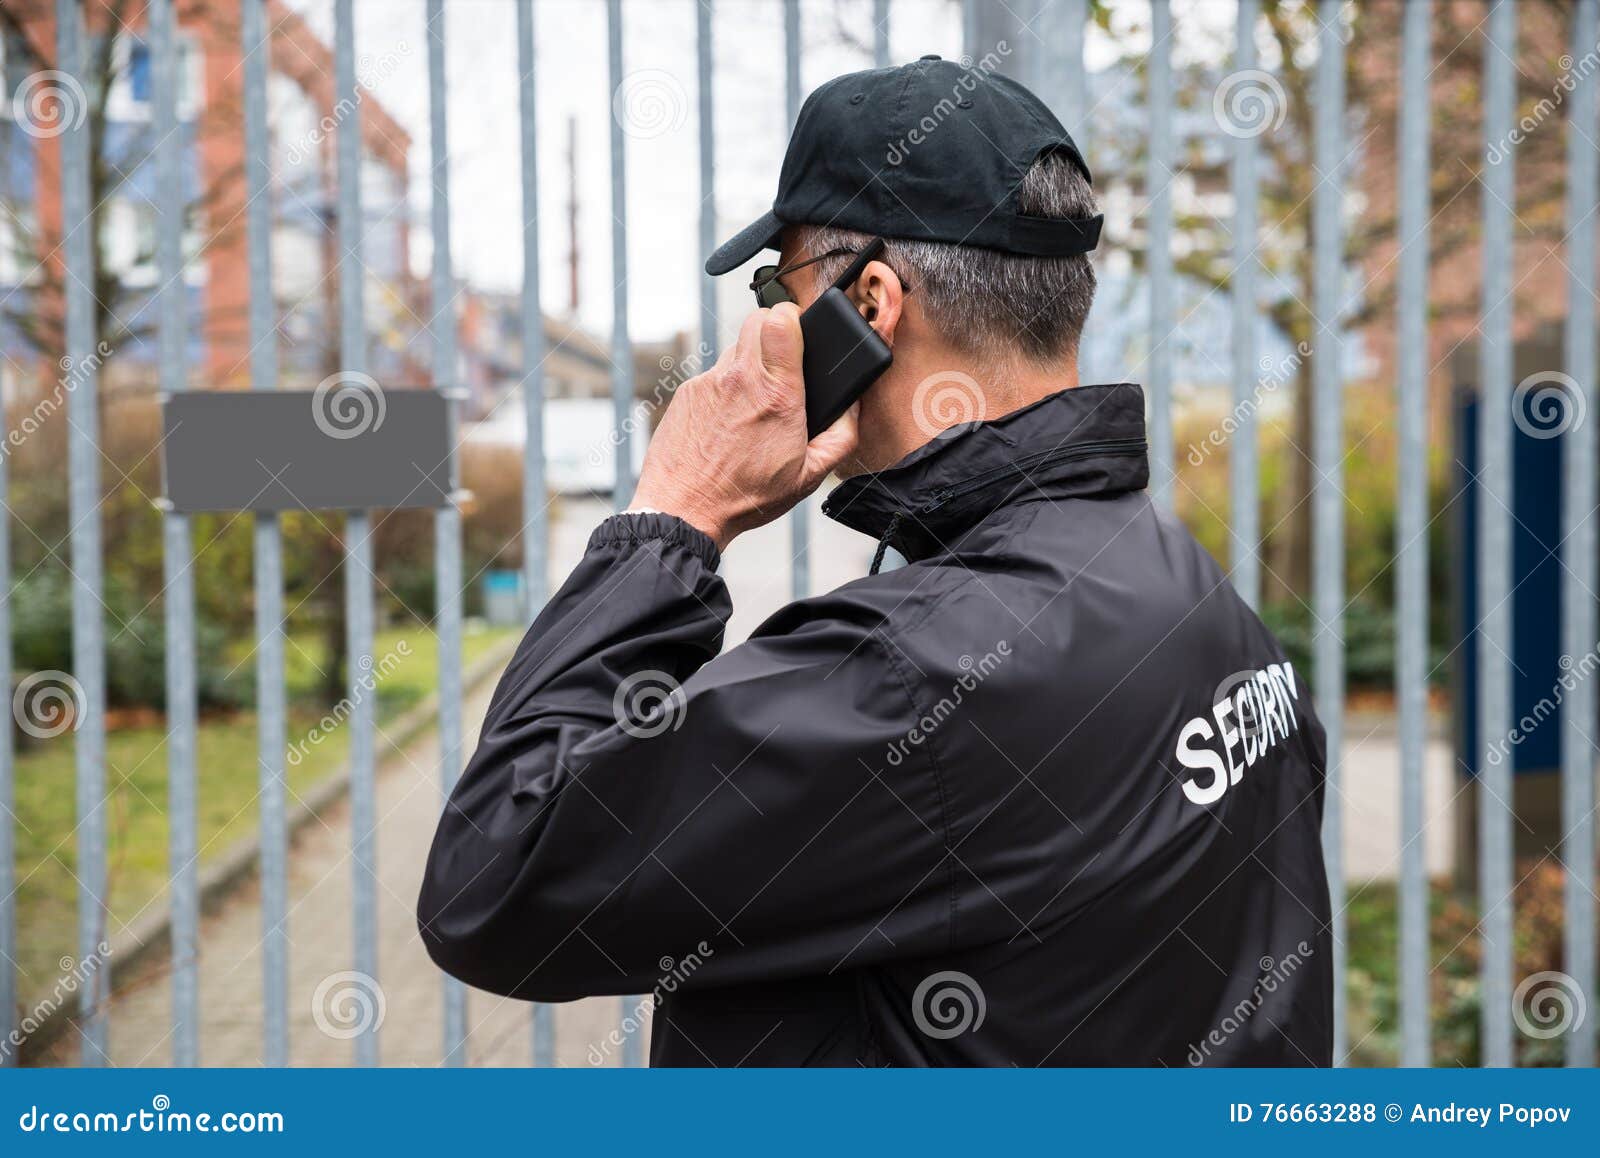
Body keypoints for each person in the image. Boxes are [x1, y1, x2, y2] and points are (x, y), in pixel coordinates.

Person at [417, 56, 1331, 1067]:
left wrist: (673, 519)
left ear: (873, 302)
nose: (773, 318)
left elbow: (492, 882)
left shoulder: (914, 673)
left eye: (782, 284)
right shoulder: (1179, 581)